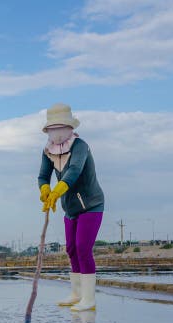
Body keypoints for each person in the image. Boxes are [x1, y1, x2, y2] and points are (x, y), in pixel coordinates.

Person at [38, 103, 104, 311]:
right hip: (70, 208)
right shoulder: (48, 150)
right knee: (71, 249)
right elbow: (42, 175)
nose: (56, 133)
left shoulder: (80, 146)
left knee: (84, 248)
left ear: (69, 127)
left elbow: (74, 171)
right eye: (52, 129)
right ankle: (76, 294)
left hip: (91, 205)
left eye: (60, 128)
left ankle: (89, 298)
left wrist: (58, 192)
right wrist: (45, 190)